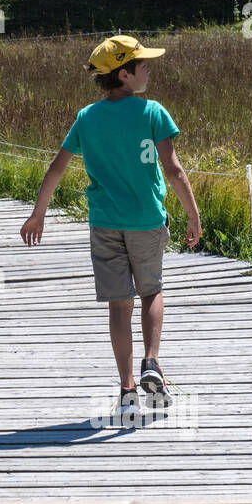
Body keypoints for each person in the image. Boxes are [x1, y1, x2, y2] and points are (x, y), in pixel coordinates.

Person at [19, 35, 201, 420]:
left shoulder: (87, 118)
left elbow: (57, 166)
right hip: (147, 221)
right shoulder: (153, 113)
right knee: (151, 291)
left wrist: (38, 214)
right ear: (124, 74)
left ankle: (127, 390)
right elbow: (173, 169)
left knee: (120, 304)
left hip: (104, 223)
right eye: (144, 64)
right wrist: (193, 213)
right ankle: (151, 362)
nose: (150, 68)